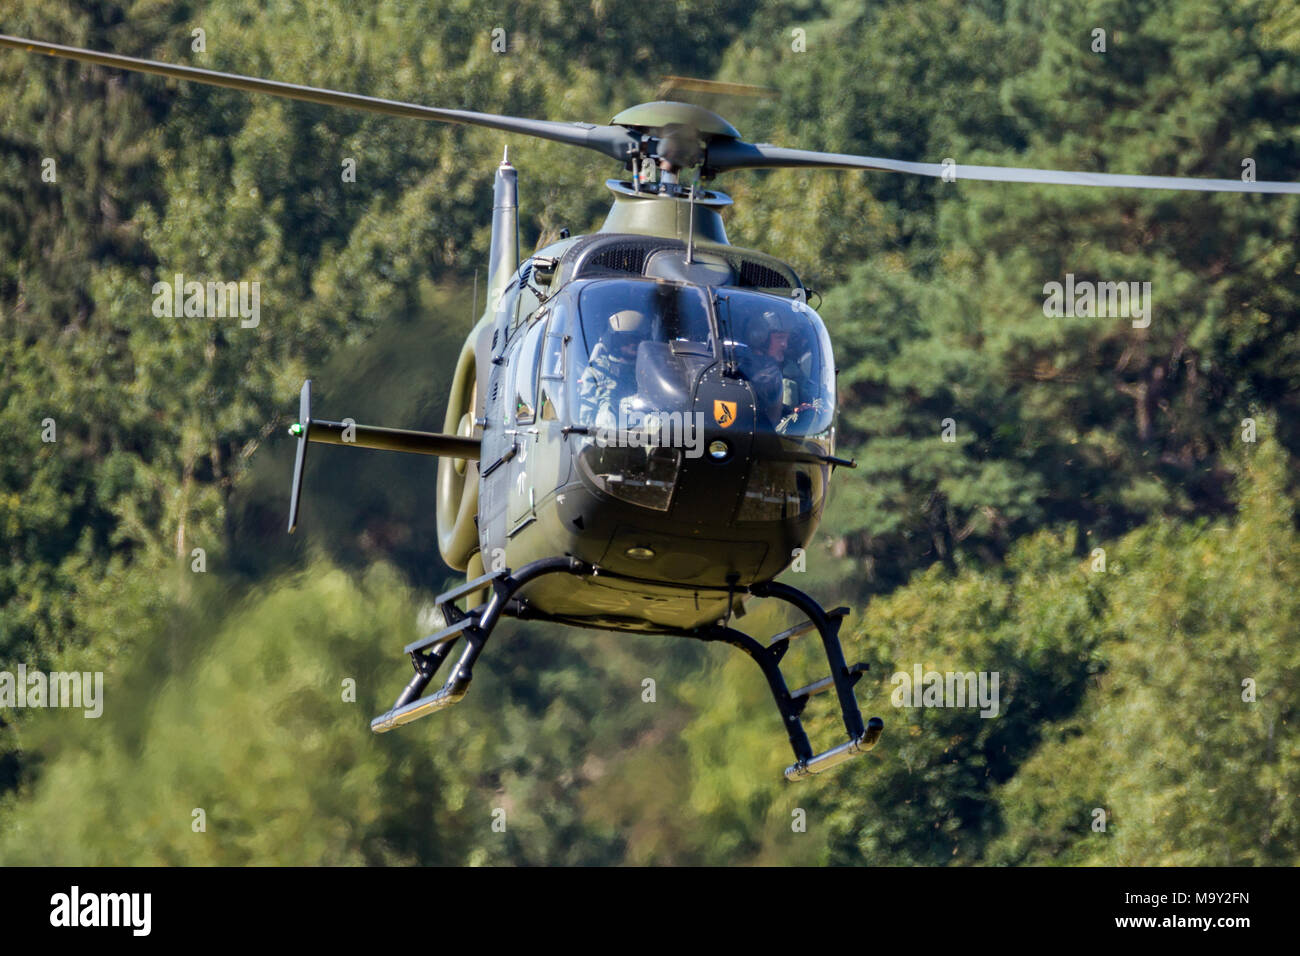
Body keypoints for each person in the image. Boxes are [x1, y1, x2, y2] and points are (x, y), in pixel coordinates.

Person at [741, 309, 820, 431]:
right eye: (779, 338)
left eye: (787, 339)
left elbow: (814, 395)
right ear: (760, 338)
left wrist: (800, 409)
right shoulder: (742, 369)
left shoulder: (790, 370)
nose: (785, 345)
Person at [577, 309, 648, 429]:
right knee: (606, 415)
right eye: (628, 339)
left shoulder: (650, 370)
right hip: (609, 437)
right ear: (615, 340)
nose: (634, 344)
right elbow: (586, 414)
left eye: (637, 339)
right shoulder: (597, 371)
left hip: (644, 433)